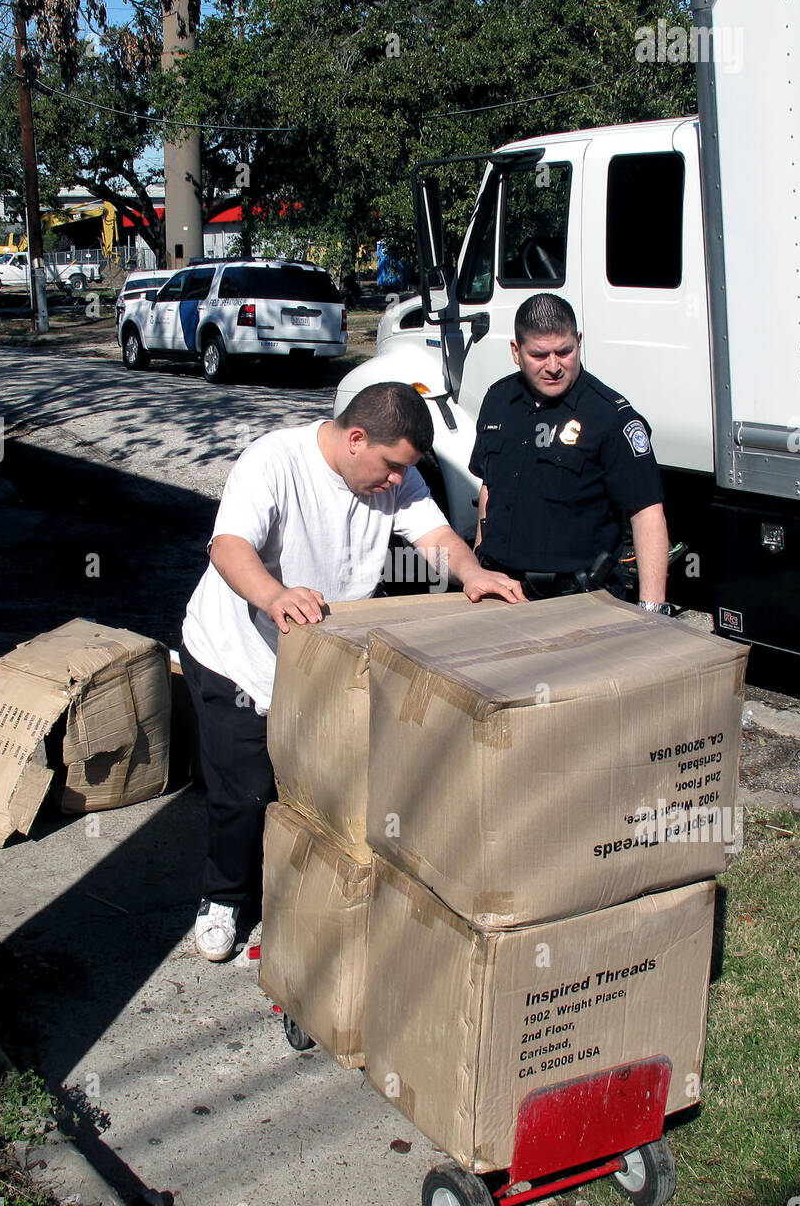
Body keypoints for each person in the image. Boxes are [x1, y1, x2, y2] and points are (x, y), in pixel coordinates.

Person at [181, 382, 524, 962]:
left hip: (322, 661)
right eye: (392, 467)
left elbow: (436, 536)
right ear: (356, 438)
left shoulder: (396, 473)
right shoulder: (274, 460)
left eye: (406, 470)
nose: (398, 481)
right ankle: (224, 898)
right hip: (240, 655)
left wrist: (471, 573)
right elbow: (228, 546)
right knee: (244, 792)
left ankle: (303, 897)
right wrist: (274, 594)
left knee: (323, 787)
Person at [469, 293, 671, 609]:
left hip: (577, 599)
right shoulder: (497, 401)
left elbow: (647, 515)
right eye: (539, 354)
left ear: (578, 341)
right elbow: (489, 488)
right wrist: (478, 565)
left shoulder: (610, 416)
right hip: (501, 591)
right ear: (516, 352)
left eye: (564, 351)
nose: (553, 366)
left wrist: (653, 610)